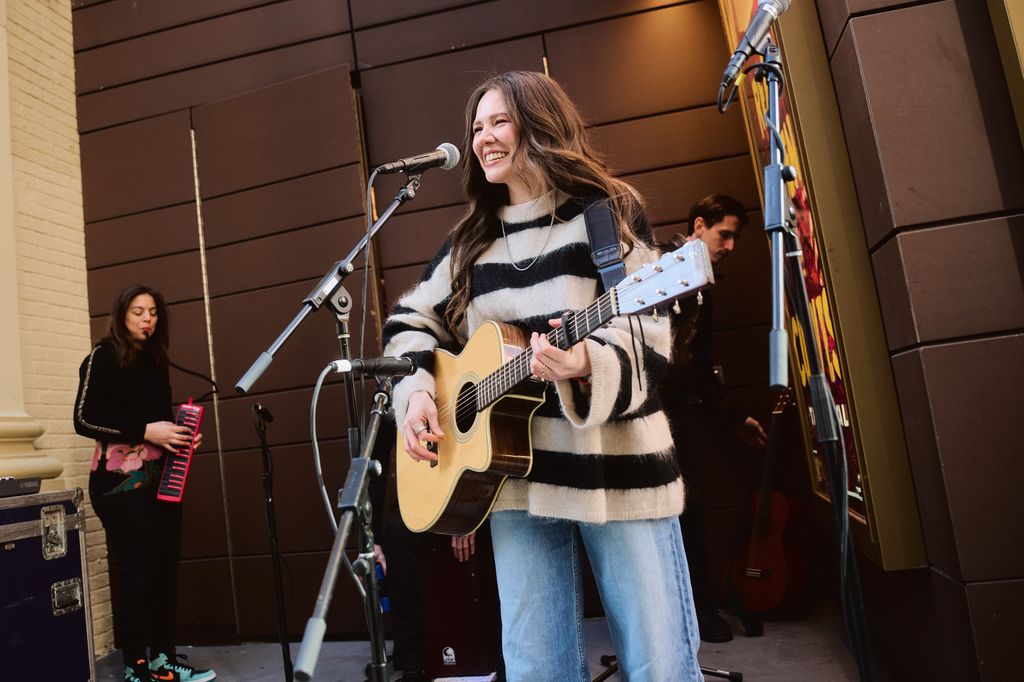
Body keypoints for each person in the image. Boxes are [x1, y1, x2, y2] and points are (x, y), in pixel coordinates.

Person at [381, 71, 703, 682]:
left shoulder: (606, 214)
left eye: (499, 121)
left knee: (659, 664)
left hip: (619, 471)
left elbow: (650, 330)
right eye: (477, 127)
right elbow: (407, 320)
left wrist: (586, 363)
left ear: (541, 124)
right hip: (517, 485)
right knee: (534, 669)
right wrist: (418, 388)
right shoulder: (470, 240)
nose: (484, 138)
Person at [74, 284, 216, 682]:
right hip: (118, 486)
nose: (147, 319)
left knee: (165, 570)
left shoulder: (156, 361)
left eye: (153, 312)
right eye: (138, 311)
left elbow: (159, 422)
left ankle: (162, 660)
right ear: (121, 315)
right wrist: (146, 432)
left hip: (162, 482)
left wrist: (179, 437)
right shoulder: (102, 357)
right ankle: (136, 666)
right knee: (136, 573)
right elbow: (83, 420)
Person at [660, 195, 768, 642]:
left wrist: (736, 417)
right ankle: (678, 615)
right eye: (724, 234)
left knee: (689, 511)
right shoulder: (658, 267)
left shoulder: (705, 286)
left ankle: (698, 609)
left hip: (677, 415)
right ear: (699, 225)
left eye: (735, 238)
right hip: (642, 412)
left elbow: (700, 366)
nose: (730, 246)